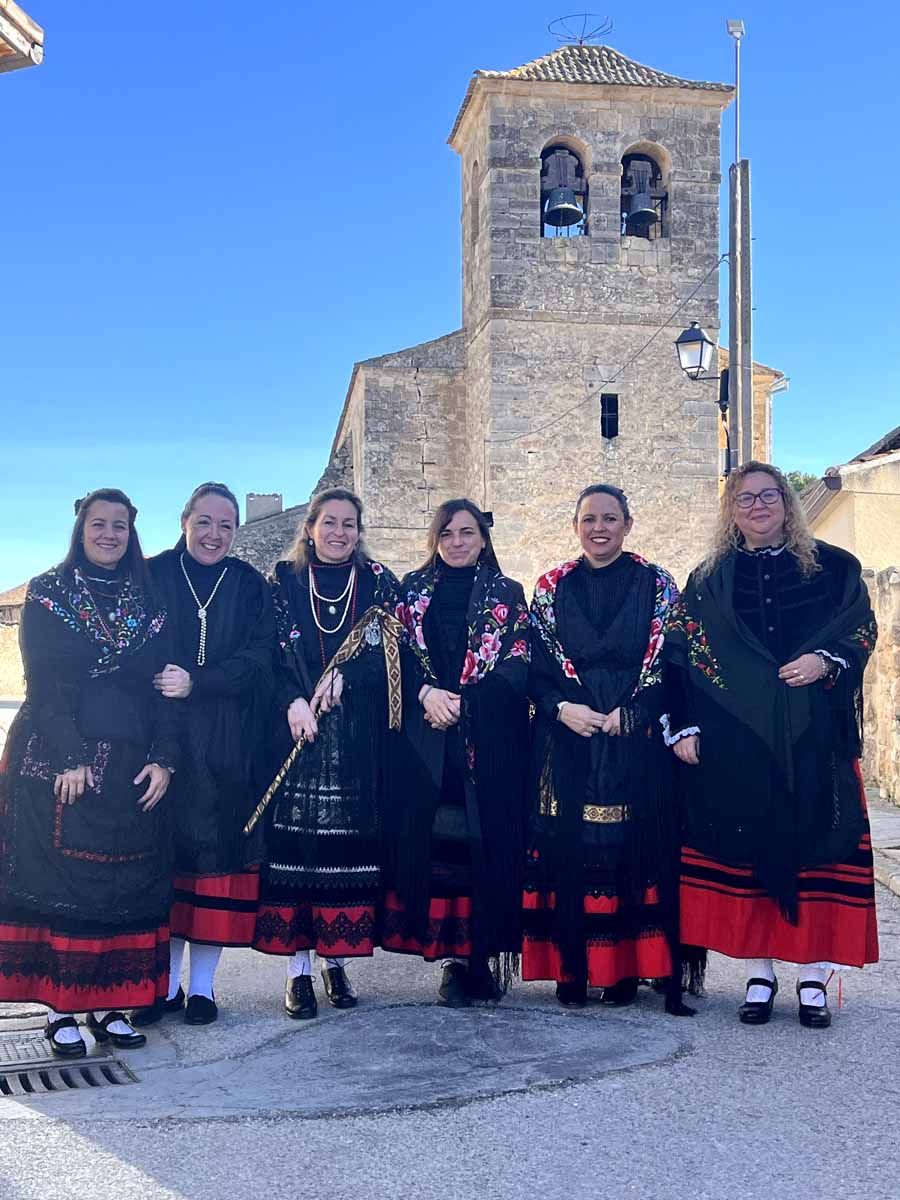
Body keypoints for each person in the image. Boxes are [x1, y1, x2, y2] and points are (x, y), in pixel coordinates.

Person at [664, 462, 879, 1028]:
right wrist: (684, 727)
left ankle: (814, 977)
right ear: (730, 511)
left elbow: (860, 629)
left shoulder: (834, 568)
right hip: (740, 744)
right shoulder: (709, 578)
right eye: (743, 499)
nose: (756, 507)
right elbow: (682, 656)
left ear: (787, 503)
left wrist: (823, 662)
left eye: (767, 496)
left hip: (817, 738)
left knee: (818, 852)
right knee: (751, 851)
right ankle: (760, 975)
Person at [0, 489, 178, 1057]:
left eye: (119, 526)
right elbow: (44, 685)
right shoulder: (49, 596)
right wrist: (69, 757)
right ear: (80, 530)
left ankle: (107, 1005)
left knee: (120, 887)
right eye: (98, 524)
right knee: (62, 887)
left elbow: (164, 687)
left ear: (132, 533)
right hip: (60, 758)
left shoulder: (149, 599)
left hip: (132, 761)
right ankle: (60, 1011)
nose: (109, 534)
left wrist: (165, 757)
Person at [522, 485, 693, 1015]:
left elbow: (674, 664)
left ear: (628, 524)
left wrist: (635, 712)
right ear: (575, 525)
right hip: (568, 739)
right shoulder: (551, 588)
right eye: (589, 518)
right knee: (572, 850)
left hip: (633, 740)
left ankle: (624, 971)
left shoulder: (658, 584)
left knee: (630, 852)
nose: (600, 527)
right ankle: (574, 967)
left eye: (611, 518)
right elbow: (534, 669)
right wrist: (559, 708)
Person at [252, 488, 402, 1020]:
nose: (339, 532)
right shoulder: (282, 583)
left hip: (356, 742)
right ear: (310, 527)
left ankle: (335, 961)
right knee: (298, 858)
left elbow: (395, 652)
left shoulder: (381, 583)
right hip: (296, 736)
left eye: (349, 524)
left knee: (345, 858)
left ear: (359, 531)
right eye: (329, 522)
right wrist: (291, 701)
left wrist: (349, 676)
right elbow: (264, 656)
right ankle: (297, 973)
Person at [131, 483, 276, 1028]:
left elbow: (260, 658)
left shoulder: (247, 584)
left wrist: (202, 682)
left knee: (214, 859)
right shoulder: (153, 573)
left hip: (224, 738)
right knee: (163, 863)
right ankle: (162, 984)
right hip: (157, 733)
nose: (215, 534)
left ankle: (203, 988)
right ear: (185, 520)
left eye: (226, 525)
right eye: (205, 522)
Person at [384, 499, 530, 1006]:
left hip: (486, 740)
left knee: (483, 846)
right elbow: (396, 654)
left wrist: (466, 704)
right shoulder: (413, 593)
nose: (457, 542)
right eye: (447, 533)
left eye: (467, 532)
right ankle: (450, 962)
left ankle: (482, 957)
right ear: (436, 539)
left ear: (483, 539)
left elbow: (517, 664)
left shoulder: (507, 594)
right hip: (429, 740)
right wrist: (427, 694)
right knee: (443, 852)